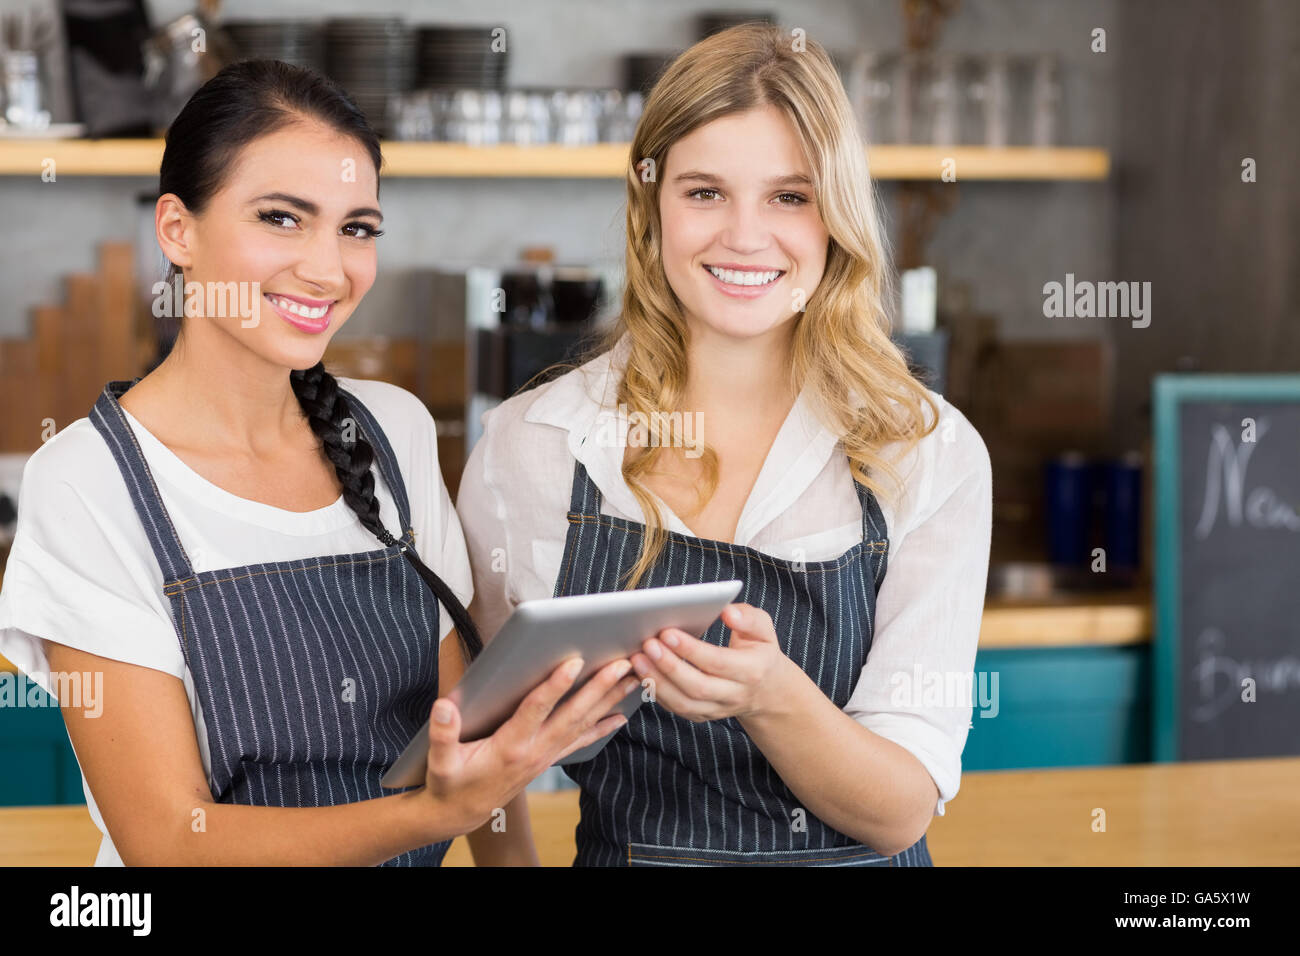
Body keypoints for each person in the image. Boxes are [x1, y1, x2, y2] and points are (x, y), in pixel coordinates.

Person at [0, 60, 636, 867]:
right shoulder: (88, 482)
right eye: (281, 218)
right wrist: (431, 815)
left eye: (357, 228)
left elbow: (468, 736)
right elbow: (166, 840)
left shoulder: (394, 433)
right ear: (176, 230)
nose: (328, 268)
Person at [456, 24, 993, 866]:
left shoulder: (925, 451)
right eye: (705, 192)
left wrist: (772, 696)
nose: (745, 237)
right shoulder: (536, 446)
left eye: (790, 196)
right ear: (652, 204)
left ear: (837, 217)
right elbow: (482, 764)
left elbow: (899, 813)